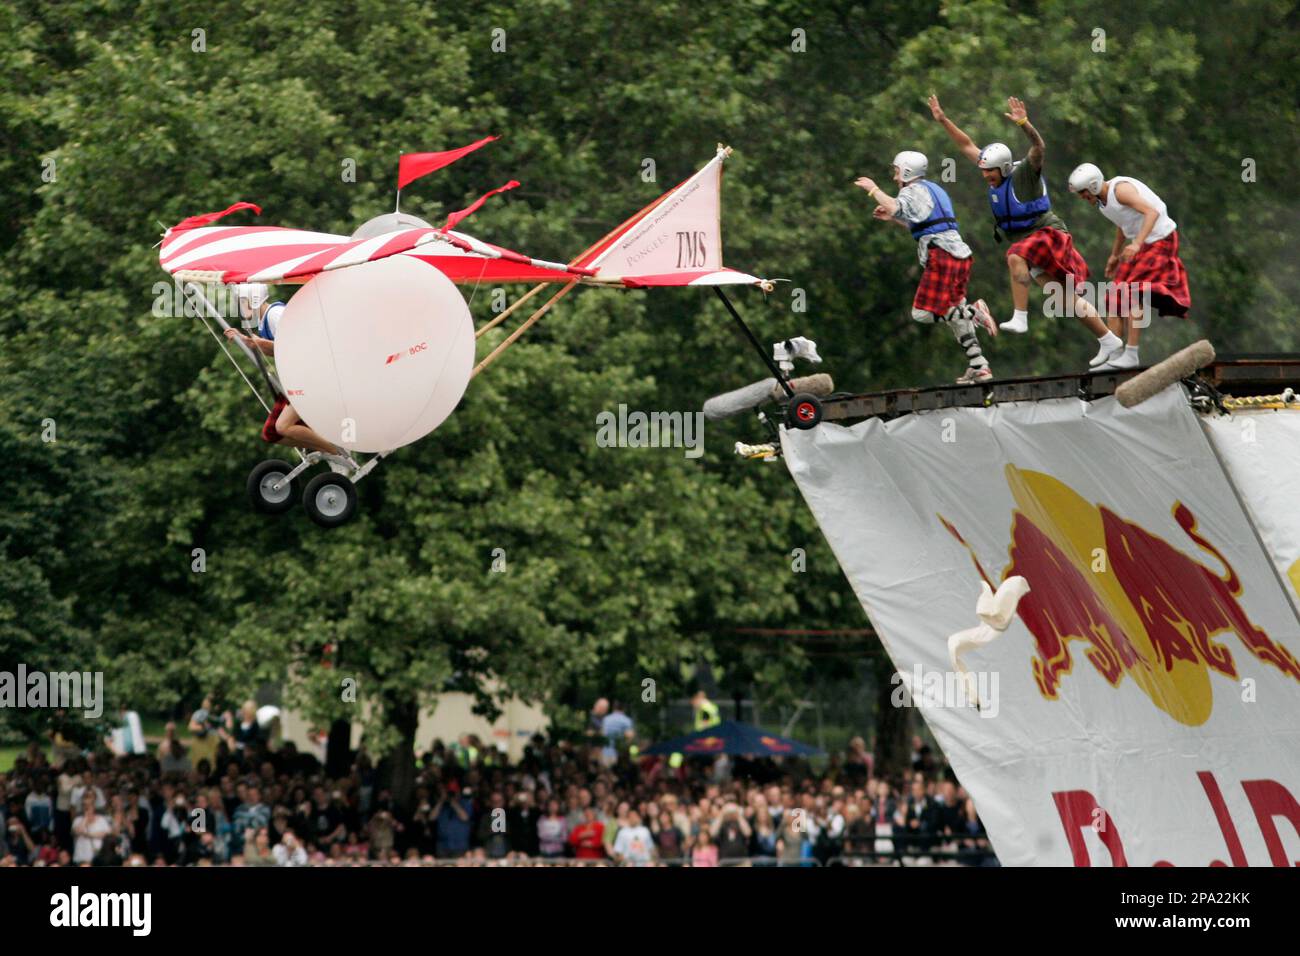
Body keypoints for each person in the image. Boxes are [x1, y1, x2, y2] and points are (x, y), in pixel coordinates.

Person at [929, 94, 1119, 362]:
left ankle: (1020, 317)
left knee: (1015, 256)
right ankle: (1109, 340)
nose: (985, 177)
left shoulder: (1024, 175)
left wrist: (1025, 124)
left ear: (1005, 168)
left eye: (990, 172)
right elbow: (967, 145)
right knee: (1063, 299)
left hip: (1048, 235)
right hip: (1034, 244)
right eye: (983, 171)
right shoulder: (993, 173)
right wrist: (944, 120)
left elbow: (1039, 148)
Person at [857, 150, 999, 383]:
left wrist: (873, 190)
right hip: (960, 256)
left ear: (906, 171)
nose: (895, 177)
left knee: (922, 313)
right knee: (954, 315)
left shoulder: (912, 190)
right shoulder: (934, 189)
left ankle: (975, 312)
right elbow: (928, 225)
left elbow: (894, 206)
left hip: (941, 257)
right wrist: (893, 219)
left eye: (896, 171)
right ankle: (980, 365)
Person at [1067, 163, 1192, 370]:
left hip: (1161, 239)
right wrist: (1115, 255)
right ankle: (1114, 356)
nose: (1082, 197)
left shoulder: (1120, 190)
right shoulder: (1102, 202)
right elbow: (1123, 224)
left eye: (1083, 193)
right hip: (1142, 243)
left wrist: (1136, 244)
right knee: (1113, 297)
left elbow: (1151, 213)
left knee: (1133, 292)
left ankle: (1131, 354)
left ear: (1094, 185)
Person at [223, 283, 356, 470]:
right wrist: (248, 341)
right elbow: (275, 349)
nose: (240, 307)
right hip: (302, 380)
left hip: (312, 378)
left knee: (283, 427)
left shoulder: (275, 315)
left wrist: (259, 343)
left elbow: (295, 344)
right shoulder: (264, 322)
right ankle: (327, 447)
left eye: (242, 302)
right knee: (273, 433)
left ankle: (336, 451)